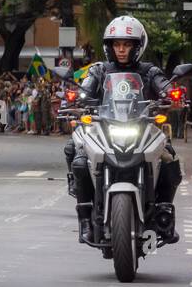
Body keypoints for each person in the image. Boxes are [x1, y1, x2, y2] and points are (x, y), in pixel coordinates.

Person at [71, 15, 182, 245]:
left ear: (138, 46)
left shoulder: (149, 71)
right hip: (105, 128)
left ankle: (164, 213)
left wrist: (172, 95)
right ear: (109, 46)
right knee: (79, 159)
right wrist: (77, 98)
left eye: (127, 44)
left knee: (170, 158)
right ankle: (84, 219)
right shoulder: (99, 70)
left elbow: (165, 86)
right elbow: (85, 91)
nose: (121, 49)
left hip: (142, 128)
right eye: (117, 44)